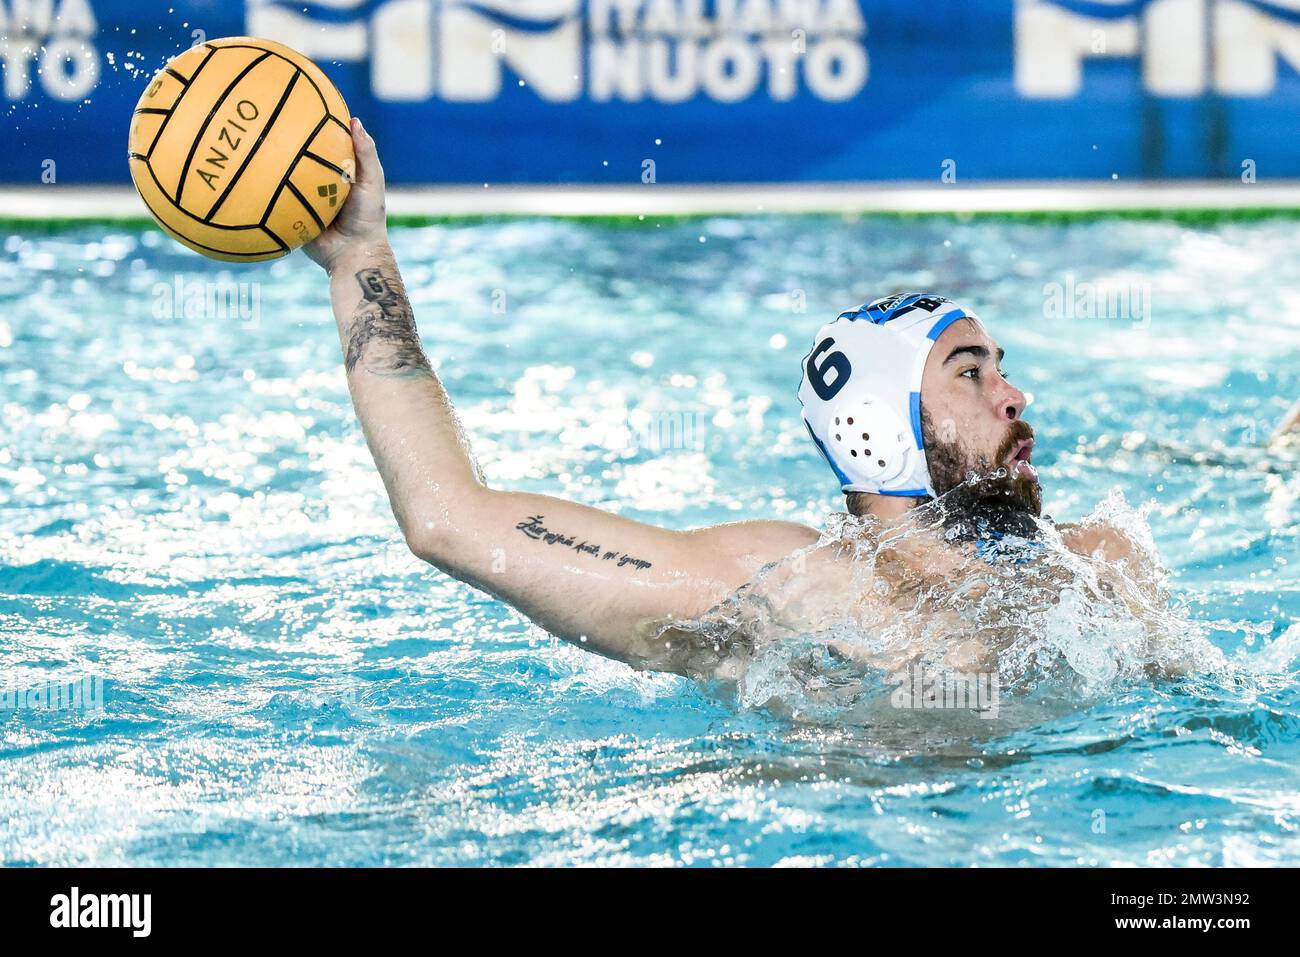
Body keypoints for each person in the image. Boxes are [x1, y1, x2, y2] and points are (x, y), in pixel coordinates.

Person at [305, 118, 1164, 685]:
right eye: (970, 373)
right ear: (877, 427)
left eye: (1001, 369)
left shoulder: (1103, 565)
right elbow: (449, 519)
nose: (1014, 396)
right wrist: (359, 257)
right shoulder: (780, 590)